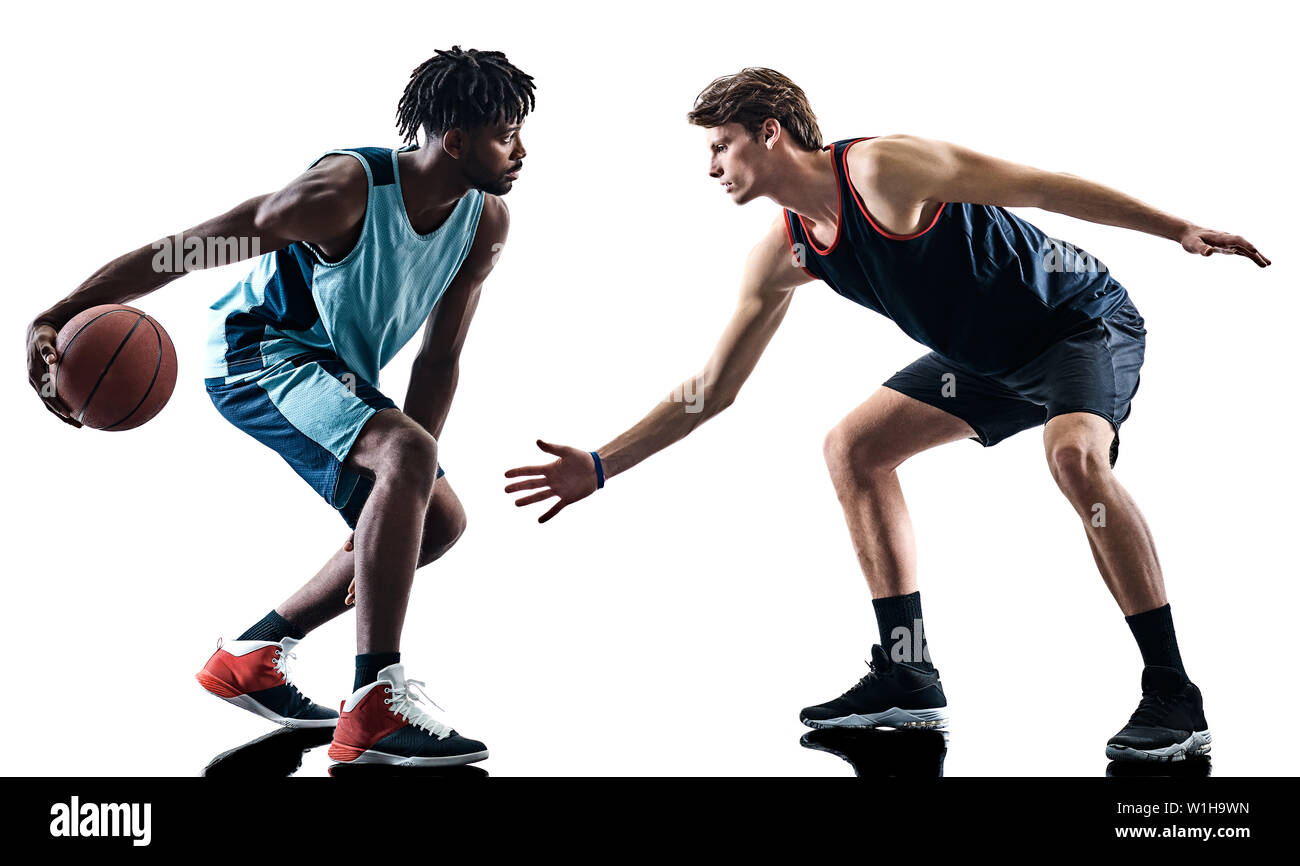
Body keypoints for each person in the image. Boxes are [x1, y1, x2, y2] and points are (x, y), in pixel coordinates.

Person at [503, 67, 1269, 763]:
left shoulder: (881, 169)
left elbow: (1039, 186)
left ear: (770, 132)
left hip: (1077, 324)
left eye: (721, 146)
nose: (711, 167)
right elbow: (712, 389)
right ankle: (906, 672)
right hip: (985, 364)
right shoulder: (787, 251)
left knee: (1073, 457)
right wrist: (602, 465)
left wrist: (1177, 230)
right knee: (854, 449)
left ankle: (1174, 693)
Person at [26, 46, 534, 768]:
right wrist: (63, 310)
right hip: (257, 357)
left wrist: (410, 481)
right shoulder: (338, 194)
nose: (522, 151)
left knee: (439, 522)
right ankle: (373, 700)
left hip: (332, 370)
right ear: (454, 141)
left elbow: (440, 359)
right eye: (506, 134)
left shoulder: (484, 224)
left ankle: (253, 653)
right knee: (408, 463)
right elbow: (192, 248)